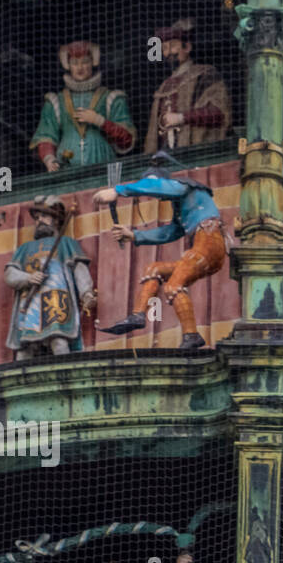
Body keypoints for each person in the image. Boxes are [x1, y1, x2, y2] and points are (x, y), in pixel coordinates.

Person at [93, 151, 227, 350]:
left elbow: (157, 186)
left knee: (173, 286)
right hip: (203, 249)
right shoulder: (182, 203)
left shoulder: (182, 186)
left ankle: (191, 335)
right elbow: (172, 231)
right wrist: (135, 235)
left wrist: (118, 190)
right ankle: (138, 315)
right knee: (154, 269)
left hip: (208, 241)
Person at [3, 195, 95, 358]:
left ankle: (66, 376)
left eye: (44, 216)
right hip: (30, 300)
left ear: (56, 220)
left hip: (55, 299)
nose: (39, 221)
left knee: (59, 341)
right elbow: (10, 274)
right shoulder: (25, 248)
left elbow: (79, 269)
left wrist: (86, 293)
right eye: (37, 218)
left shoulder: (66, 243)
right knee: (25, 348)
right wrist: (28, 278)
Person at [30, 40, 135, 172]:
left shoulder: (111, 98)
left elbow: (127, 140)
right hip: (66, 164)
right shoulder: (56, 101)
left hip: (102, 161)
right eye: (75, 63)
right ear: (68, 65)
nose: (80, 67)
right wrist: (50, 159)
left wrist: (100, 121)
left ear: (93, 62)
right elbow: (46, 136)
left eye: (85, 61)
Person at [144, 19, 231, 154]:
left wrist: (181, 117)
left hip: (198, 154)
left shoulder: (205, 74)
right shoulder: (163, 87)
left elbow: (220, 112)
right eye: (164, 49)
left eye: (172, 46)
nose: (168, 53)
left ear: (187, 47)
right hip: (165, 159)